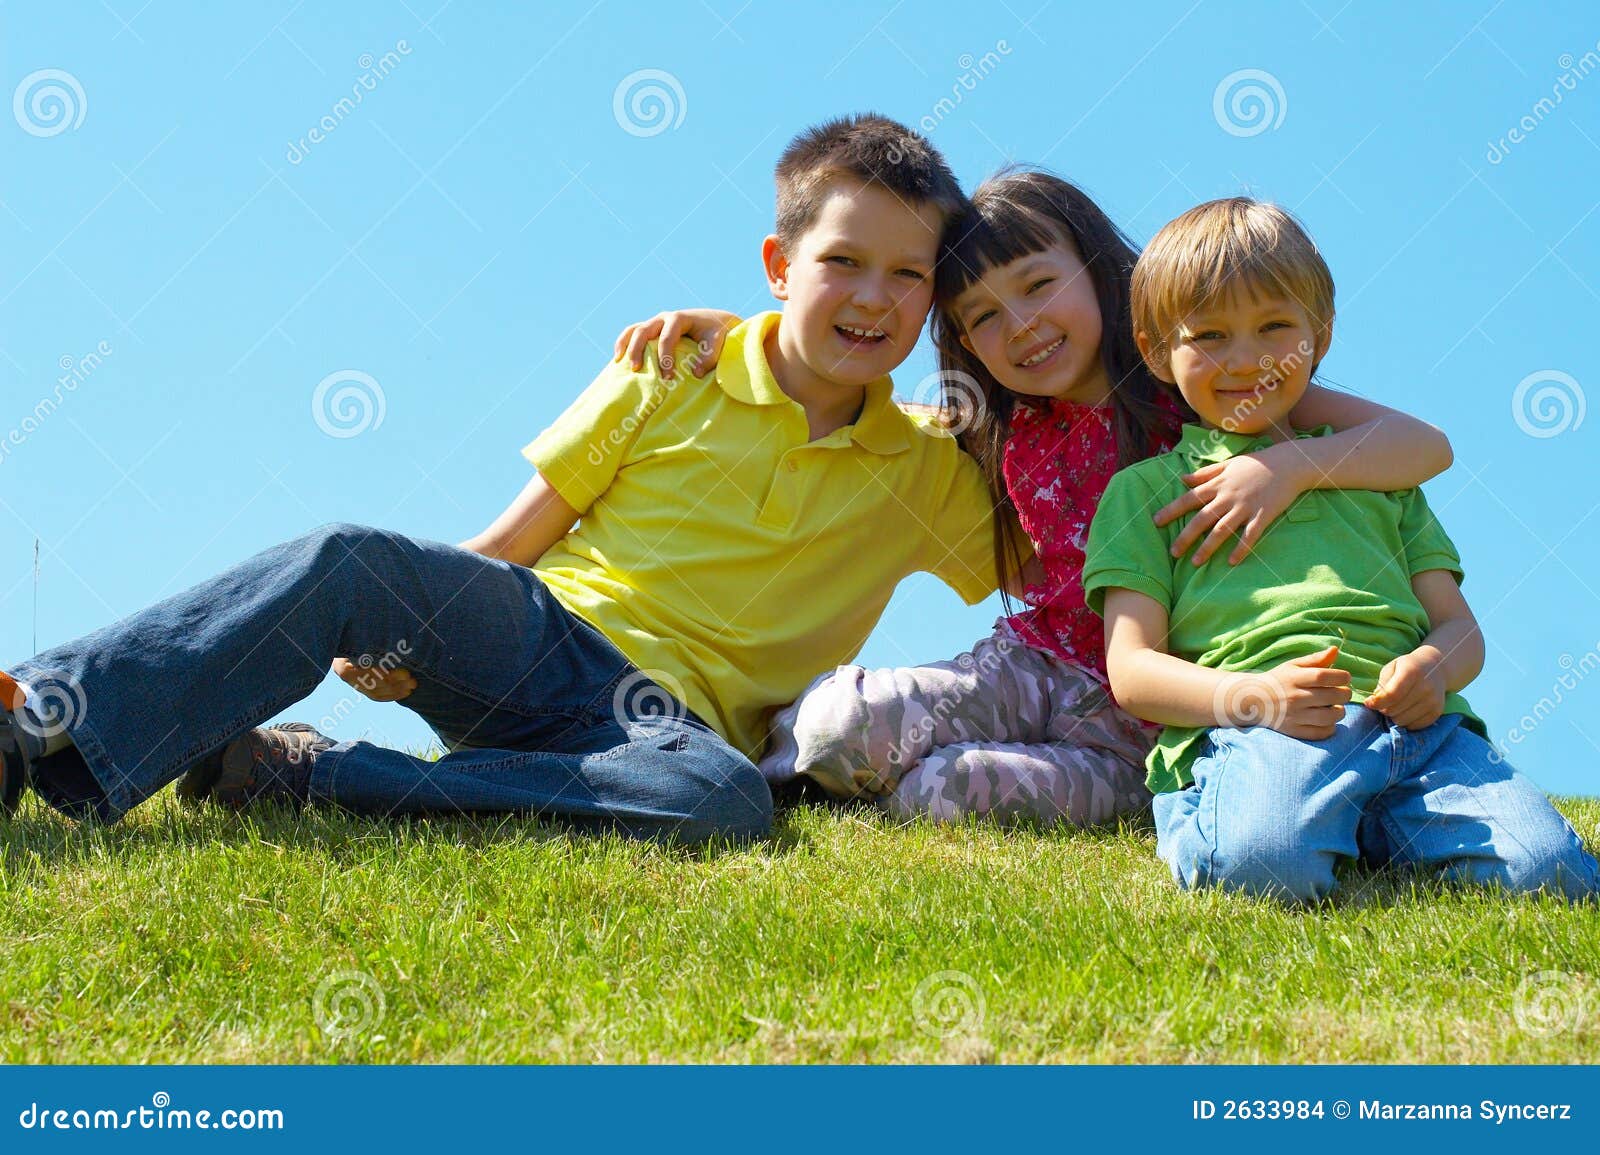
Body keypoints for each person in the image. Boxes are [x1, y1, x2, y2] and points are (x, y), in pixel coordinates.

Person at [0, 113, 1002, 845]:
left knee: (724, 802)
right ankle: (36, 718)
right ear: (780, 264)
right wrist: (401, 638)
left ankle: (304, 775)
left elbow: (1058, 567)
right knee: (353, 561)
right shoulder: (667, 369)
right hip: (538, 638)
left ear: (934, 300)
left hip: (663, 734)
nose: (874, 297)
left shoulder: (927, 468)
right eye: (843, 261)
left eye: (908, 275)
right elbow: (515, 541)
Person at [617, 168, 1454, 828]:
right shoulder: (999, 426)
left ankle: (950, 784)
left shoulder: (1206, 389)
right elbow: (849, 385)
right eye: (982, 315)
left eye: (1037, 284)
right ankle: (713, 784)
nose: (1018, 325)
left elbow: (1425, 446)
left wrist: (1287, 468)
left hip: (1157, 717)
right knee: (836, 724)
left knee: (943, 793)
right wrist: (747, 332)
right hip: (1035, 665)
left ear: (1099, 268)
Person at [1083, 195, 1598, 901]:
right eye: (1209, 334)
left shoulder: (1379, 476)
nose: (1246, 358)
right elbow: (1134, 670)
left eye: (1274, 327)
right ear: (1156, 352)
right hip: (1269, 734)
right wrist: (1251, 696)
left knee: (1556, 877)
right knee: (1261, 870)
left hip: (1423, 734)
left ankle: (1365, 826)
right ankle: (1240, 818)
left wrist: (1431, 668)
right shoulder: (1148, 492)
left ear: (1318, 337)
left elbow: (1460, 628)